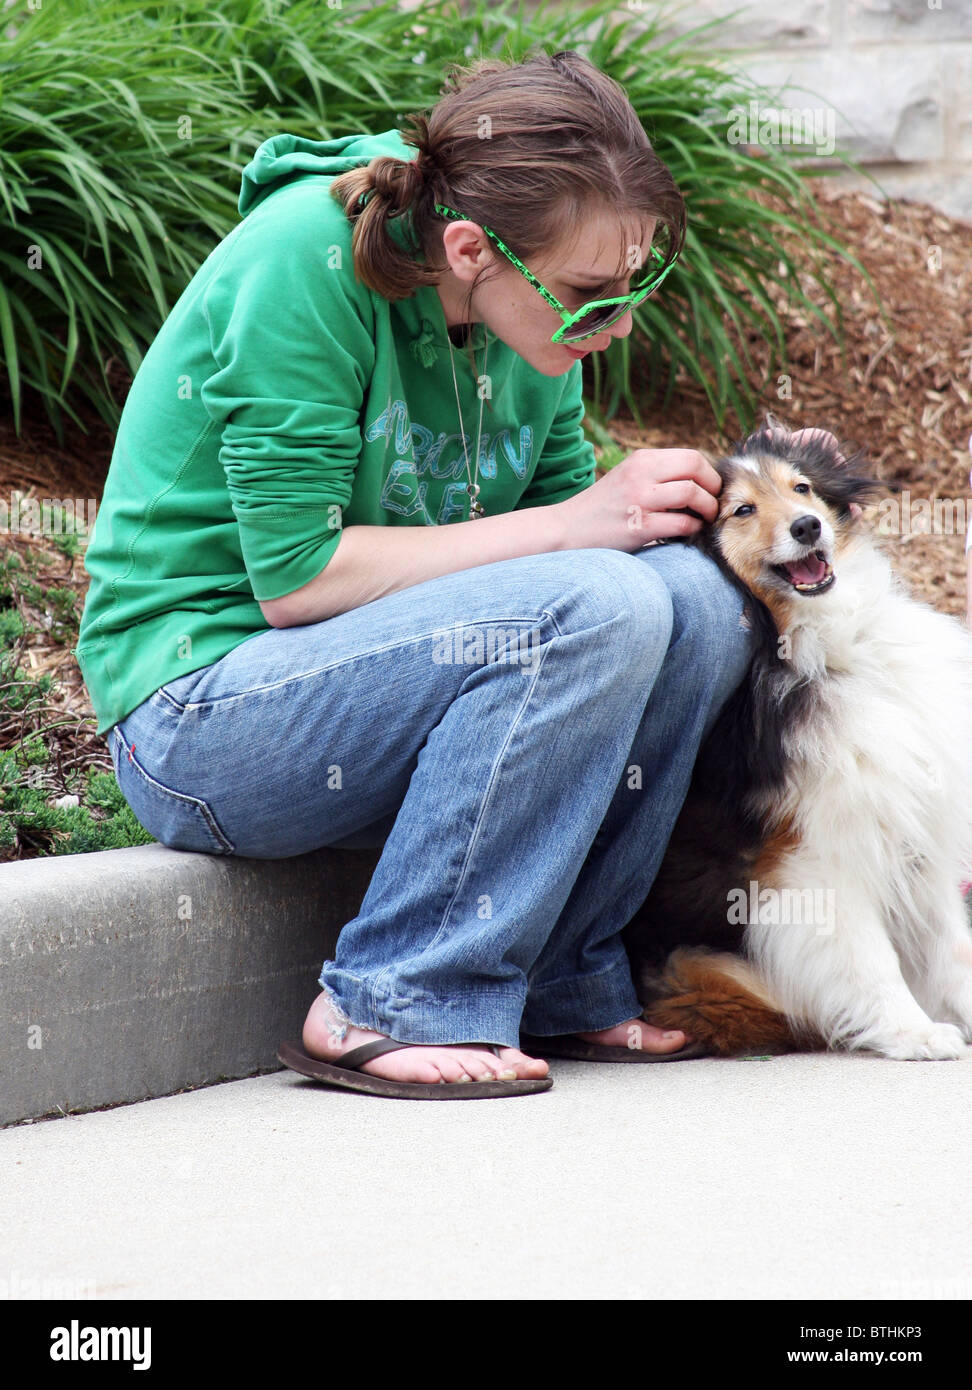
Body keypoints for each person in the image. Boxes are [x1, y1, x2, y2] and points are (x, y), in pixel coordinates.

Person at [76, 49, 757, 1100]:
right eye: (588, 297)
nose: (615, 326)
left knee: (697, 605)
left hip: (377, 690)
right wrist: (580, 524)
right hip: (202, 713)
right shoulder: (303, 263)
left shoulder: (523, 329)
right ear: (470, 248)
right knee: (596, 600)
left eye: (635, 289)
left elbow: (574, 548)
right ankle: (390, 997)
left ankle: (563, 976)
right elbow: (297, 581)